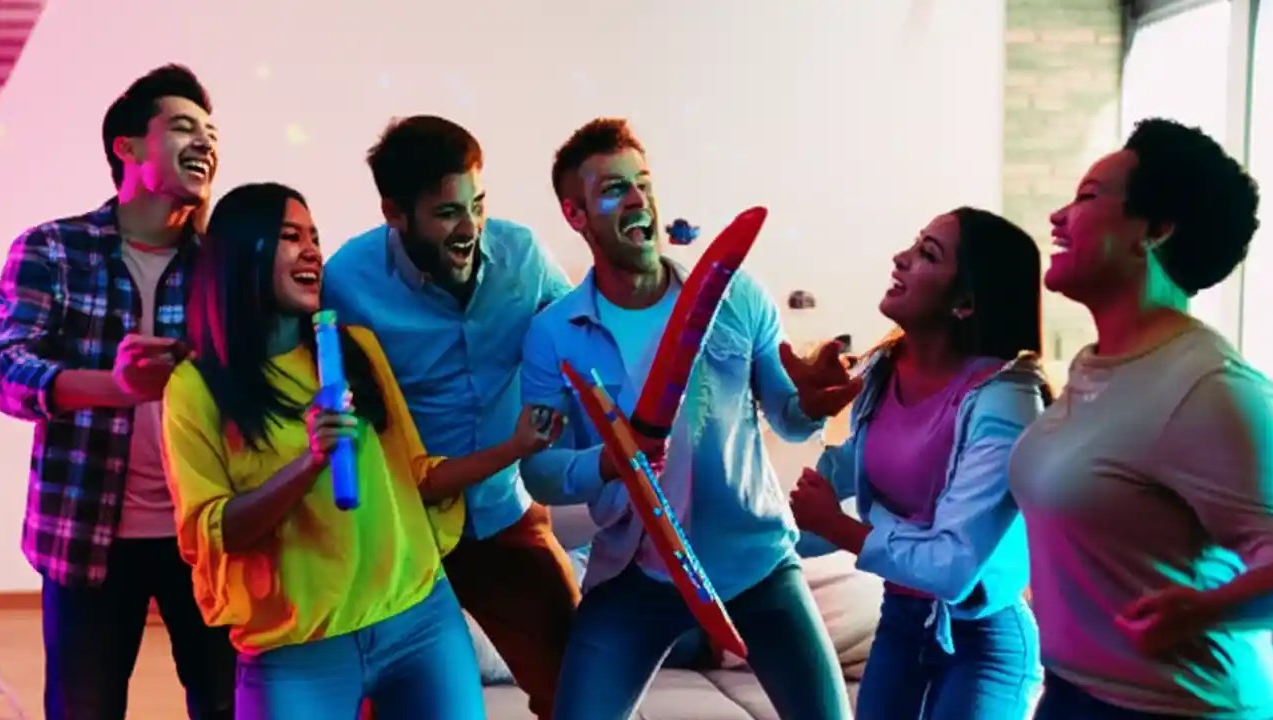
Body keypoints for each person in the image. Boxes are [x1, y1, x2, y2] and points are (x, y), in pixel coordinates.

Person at [161, 181, 560, 719]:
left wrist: (513, 446)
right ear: (239, 255)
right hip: (296, 647)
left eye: (314, 237)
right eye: (288, 237)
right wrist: (309, 463)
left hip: (419, 618)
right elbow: (212, 531)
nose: (312, 251)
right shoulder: (196, 388)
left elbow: (417, 476)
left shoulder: (356, 350)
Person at [519, 117, 857, 720]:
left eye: (643, 183)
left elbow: (789, 419)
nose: (637, 199)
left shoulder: (736, 295)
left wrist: (810, 403)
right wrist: (606, 461)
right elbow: (540, 471)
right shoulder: (554, 333)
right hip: (635, 572)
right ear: (576, 215)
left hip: (755, 564)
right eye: (613, 190)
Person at [1008, 117, 1273, 719]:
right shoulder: (1095, 367)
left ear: (1154, 230)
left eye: (1085, 198)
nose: (1057, 217)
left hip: (1177, 706)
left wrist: (1209, 608)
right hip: (1070, 692)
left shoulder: (1211, 389)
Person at [0, 64, 235, 720]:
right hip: (82, 533)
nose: (205, 143)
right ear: (125, 147)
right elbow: (7, 371)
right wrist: (115, 386)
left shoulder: (224, 262)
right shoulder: (54, 247)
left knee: (227, 704)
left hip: (207, 533)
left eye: (212, 133)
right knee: (84, 707)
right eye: (184, 126)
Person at [321, 115, 579, 719]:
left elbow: (580, 337)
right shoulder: (346, 280)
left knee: (578, 686)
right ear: (395, 212)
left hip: (502, 510)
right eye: (447, 214)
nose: (471, 229)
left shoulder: (522, 254)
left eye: (478, 204)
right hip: (399, 528)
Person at [789, 207, 1049, 719]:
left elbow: (950, 567)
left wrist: (837, 527)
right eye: (914, 243)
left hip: (983, 640)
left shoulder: (1005, 401)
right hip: (901, 622)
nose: (900, 259)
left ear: (966, 302)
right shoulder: (882, 373)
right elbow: (816, 507)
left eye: (928, 253)